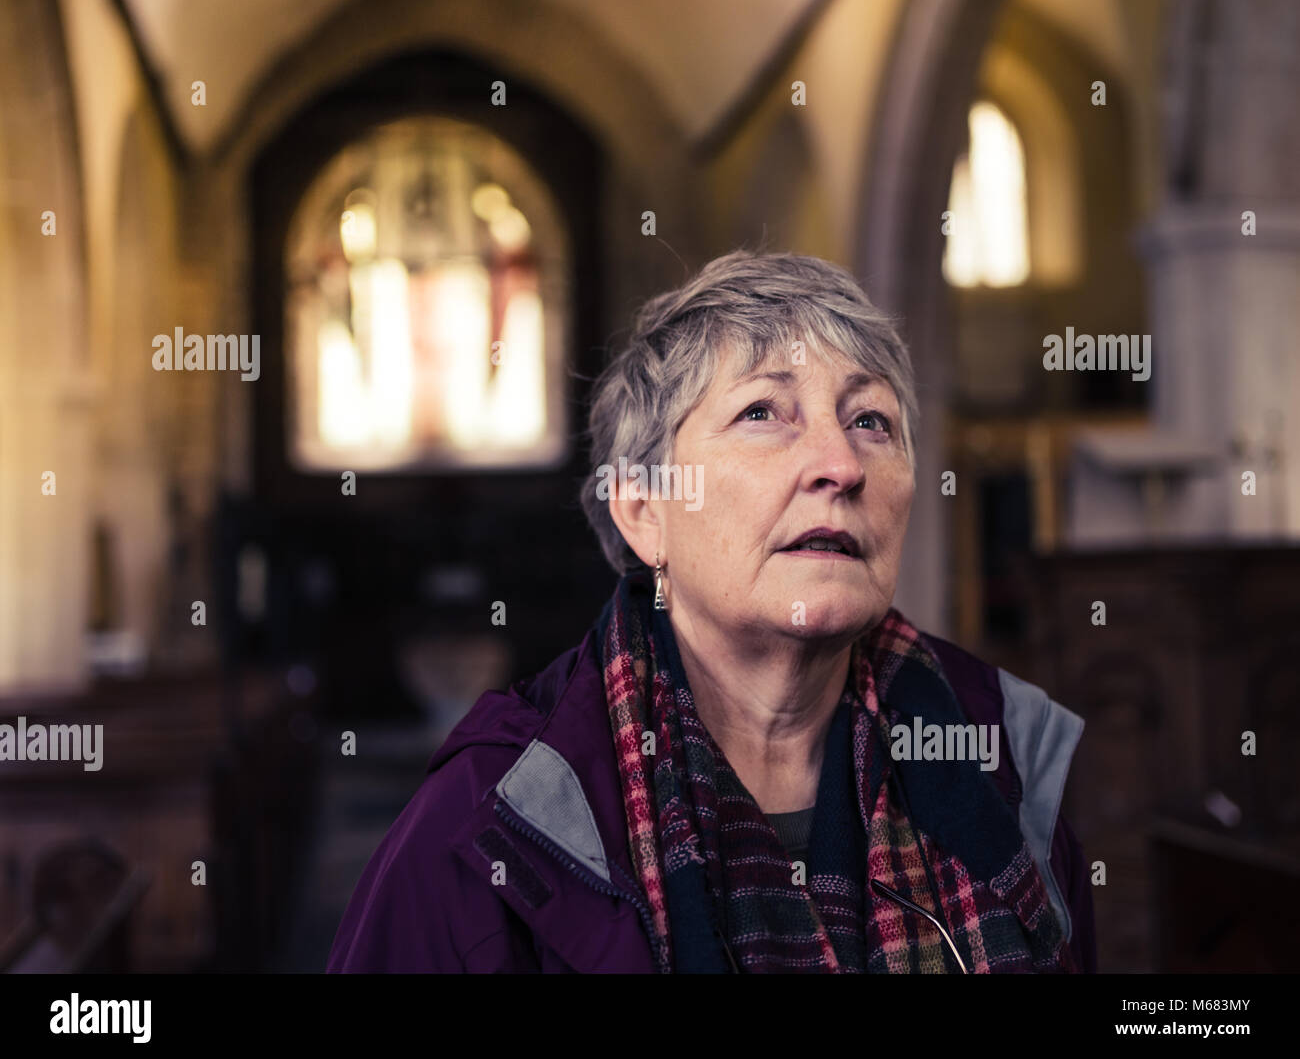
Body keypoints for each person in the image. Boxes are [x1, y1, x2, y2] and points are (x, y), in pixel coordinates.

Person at [327, 250, 1096, 973]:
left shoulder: (1000, 765)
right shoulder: (492, 821)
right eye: (764, 412)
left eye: (871, 421)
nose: (841, 465)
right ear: (643, 510)